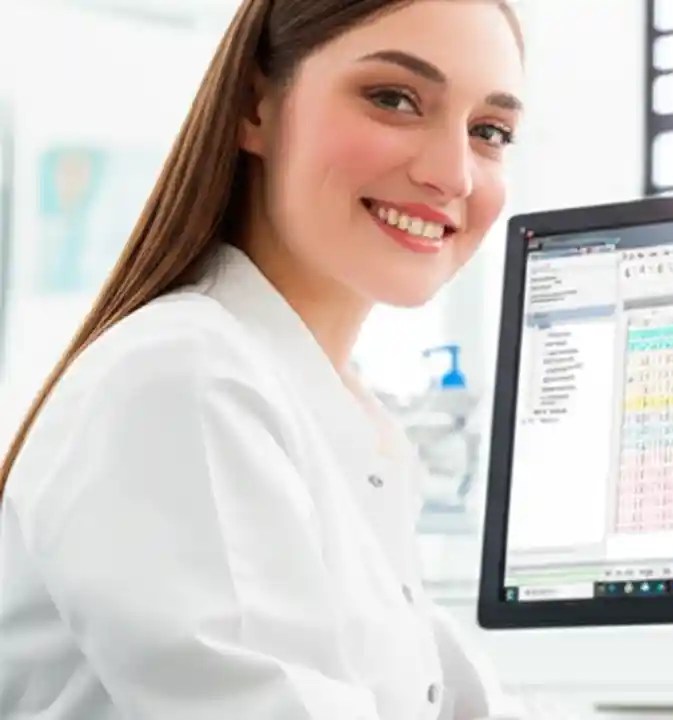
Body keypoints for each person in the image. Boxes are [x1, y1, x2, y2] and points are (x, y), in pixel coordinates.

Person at [0, 0, 524, 718]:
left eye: (489, 132)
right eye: (394, 99)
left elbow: (450, 699)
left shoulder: (338, 415)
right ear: (256, 106)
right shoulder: (184, 379)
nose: (452, 173)